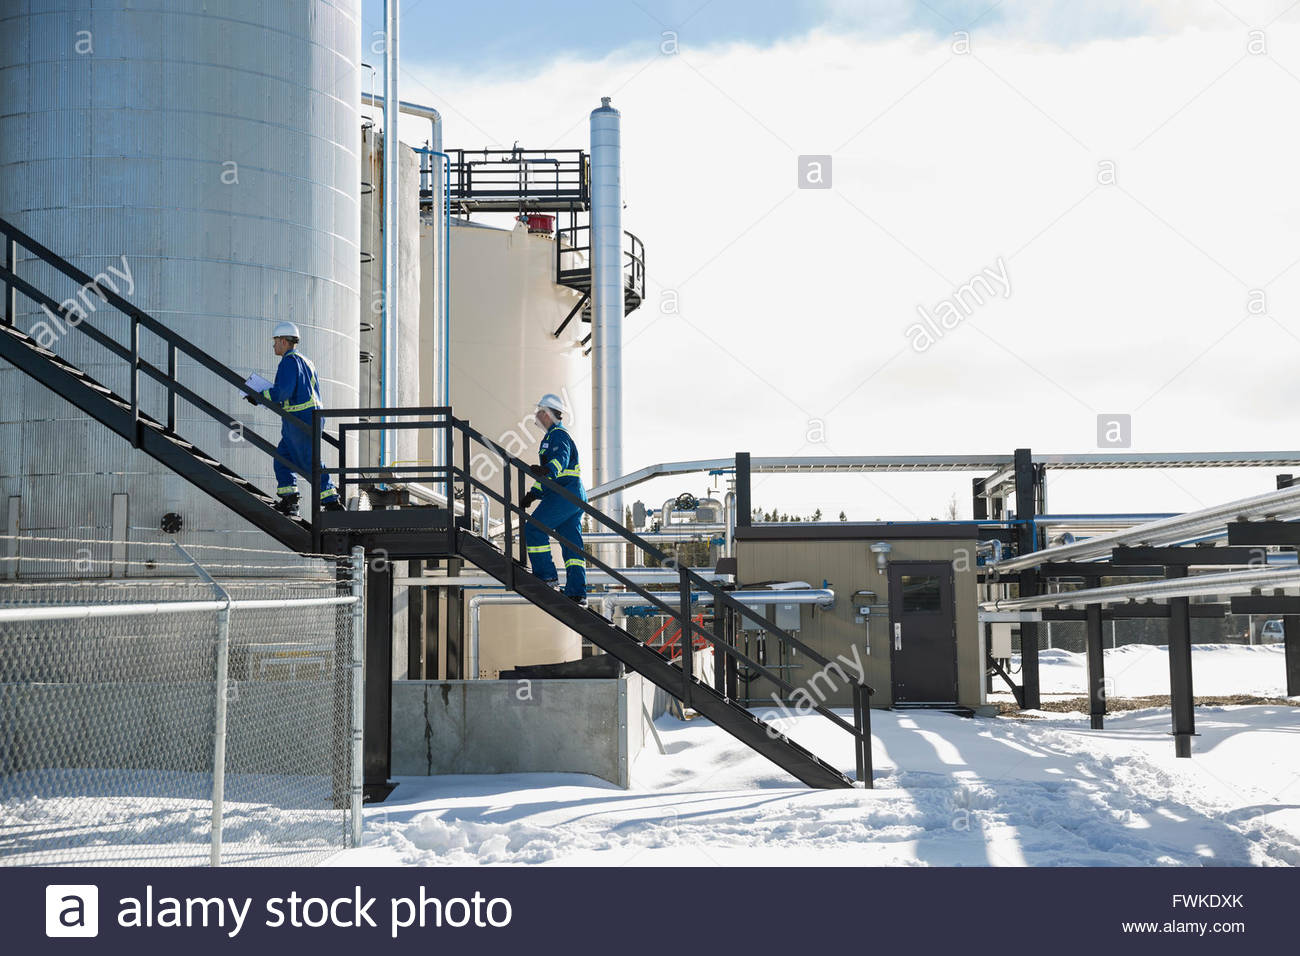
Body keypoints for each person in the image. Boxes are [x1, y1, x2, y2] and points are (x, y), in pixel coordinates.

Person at [245, 321, 342, 516]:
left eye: (275, 341)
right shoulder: (306, 361)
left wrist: (259, 396)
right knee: (282, 459)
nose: (273, 346)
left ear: (283, 341)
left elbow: (283, 392)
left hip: (300, 418)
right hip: (304, 417)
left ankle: (331, 502)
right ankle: (290, 500)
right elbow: (296, 393)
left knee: (307, 459)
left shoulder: (289, 361)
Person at [520, 393, 588, 606]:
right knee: (571, 545)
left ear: (548, 413)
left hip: (565, 493)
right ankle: (577, 593)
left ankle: (546, 577)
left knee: (534, 528)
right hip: (570, 494)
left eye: (540, 411)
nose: (537, 416)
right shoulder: (551, 437)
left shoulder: (558, 435)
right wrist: (534, 494)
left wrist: (546, 469)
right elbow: (548, 476)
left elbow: (559, 462)